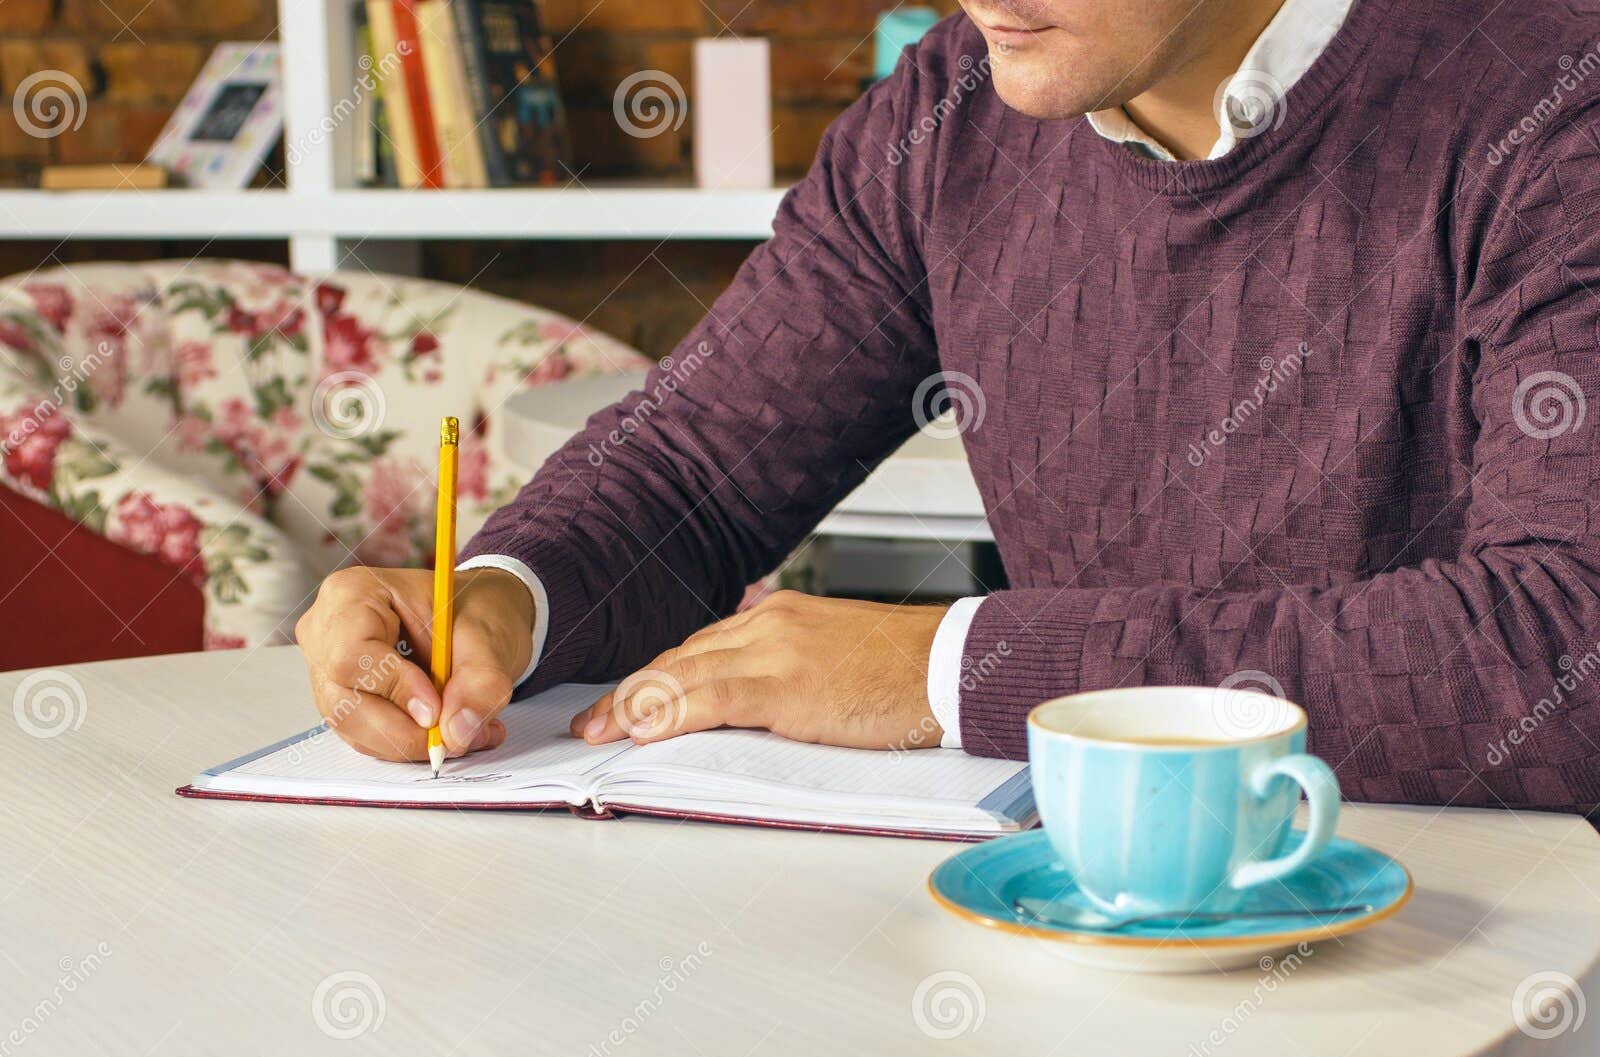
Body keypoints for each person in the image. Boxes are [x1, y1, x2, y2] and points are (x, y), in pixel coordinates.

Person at [296, 0, 1600, 817]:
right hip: (1086, 943)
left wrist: (946, 671)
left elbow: (1564, 649)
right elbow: (696, 465)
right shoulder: (951, 111)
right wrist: (501, 600)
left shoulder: (1555, 100)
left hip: (1490, 967)